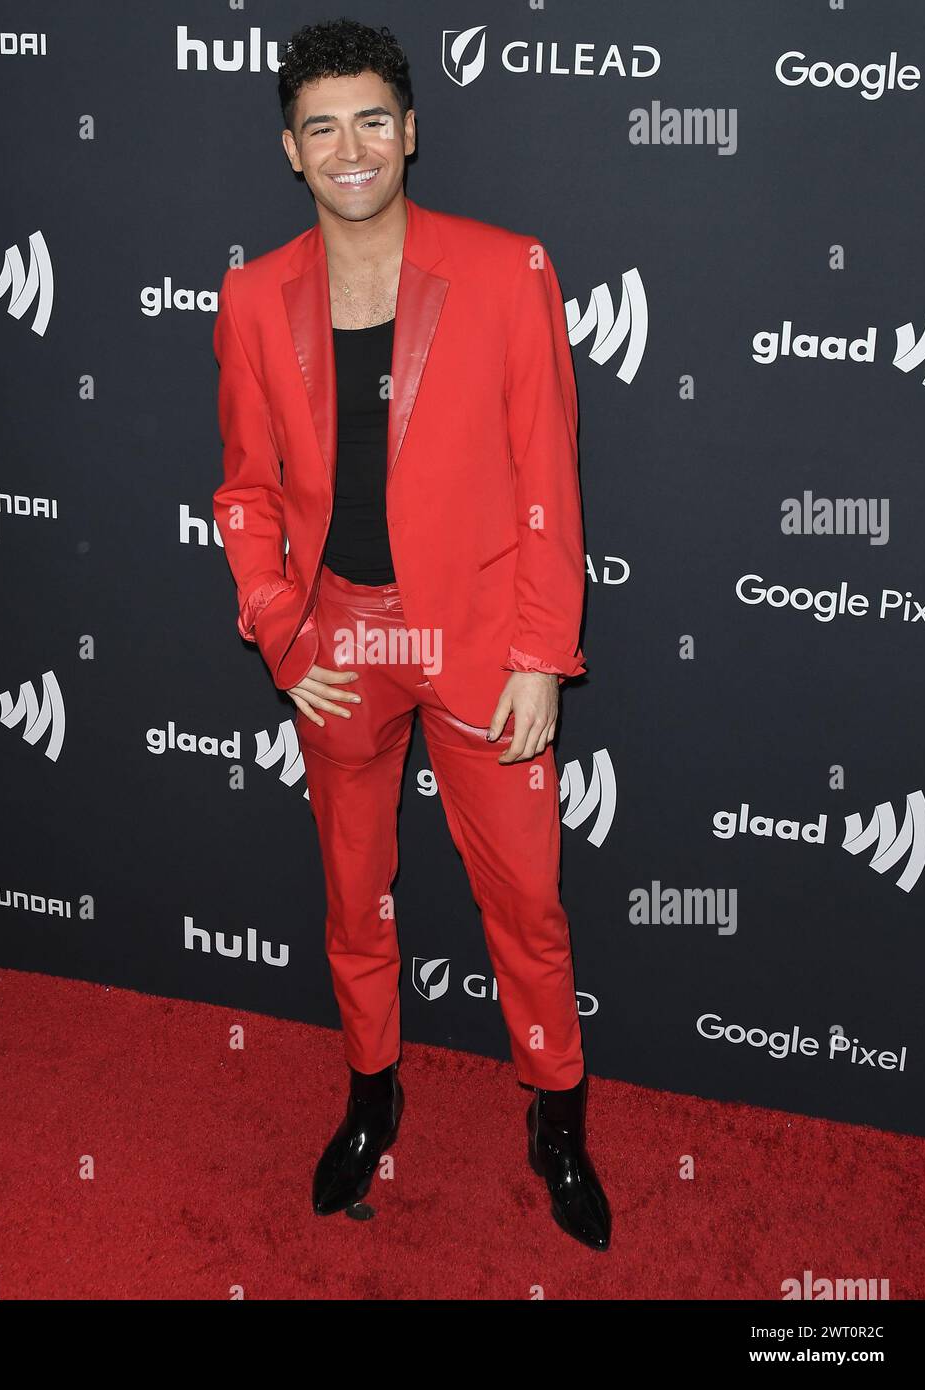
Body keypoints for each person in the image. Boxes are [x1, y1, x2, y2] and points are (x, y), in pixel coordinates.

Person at [212, 17, 610, 1251]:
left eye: (372, 119)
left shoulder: (506, 270)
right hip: (343, 647)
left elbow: (549, 467)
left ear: (410, 132)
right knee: (353, 895)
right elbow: (246, 491)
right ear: (290, 149)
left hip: (482, 642)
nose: (350, 146)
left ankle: (554, 1110)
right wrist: (284, 635)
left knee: (527, 902)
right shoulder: (251, 293)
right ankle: (371, 1091)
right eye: (321, 125)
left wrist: (542, 652)